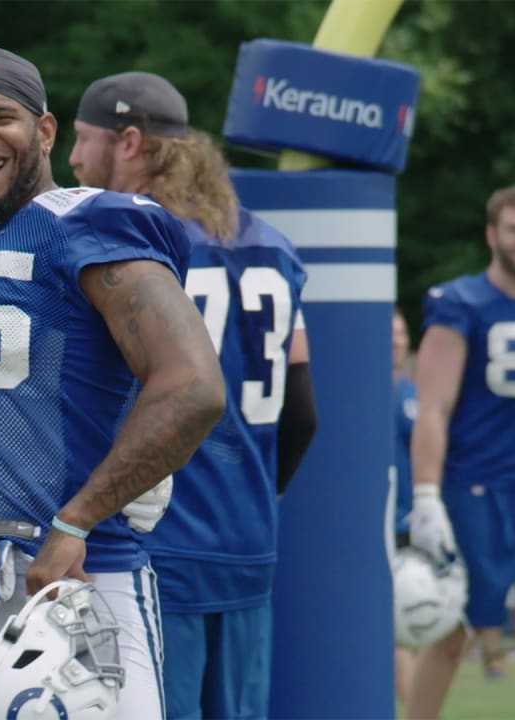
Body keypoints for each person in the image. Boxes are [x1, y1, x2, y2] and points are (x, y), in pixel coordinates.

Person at [0, 48, 225, 720]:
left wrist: (79, 515)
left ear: (48, 132)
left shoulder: (88, 220)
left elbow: (193, 384)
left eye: (1, 117)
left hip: (80, 569)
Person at [68, 70, 316, 719]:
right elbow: (304, 414)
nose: (72, 160)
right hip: (248, 544)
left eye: (82, 140)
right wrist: (255, 493)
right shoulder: (273, 246)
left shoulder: (129, 245)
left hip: (160, 546)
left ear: (127, 144)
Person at [407, 185, 515, 719]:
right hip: (475, 491)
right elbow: (432, 407)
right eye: (514, 229)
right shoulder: (460, 303)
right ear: (493, 234)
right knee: (452, 633)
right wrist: (428, 496)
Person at [392, 307, 418, 704]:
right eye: (389, 332)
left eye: (401, 333)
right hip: (376, 526)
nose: (396, 339)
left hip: (410, 524)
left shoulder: (413, 393)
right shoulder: (357, 396)